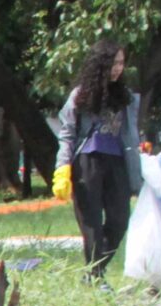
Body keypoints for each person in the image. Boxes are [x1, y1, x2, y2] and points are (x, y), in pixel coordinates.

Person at [53, 41, 143, 279]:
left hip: (118, 163)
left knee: (119, 220)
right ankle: (95, 276)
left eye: (121, 63)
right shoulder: (80, 95)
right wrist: (62, 168)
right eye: (113, 63)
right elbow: (67, 133)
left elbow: (132, 136)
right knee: (91, 222)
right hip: (87, 162)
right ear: (100, 64)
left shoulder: (127, 98)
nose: (118, 68)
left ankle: (94, 271)